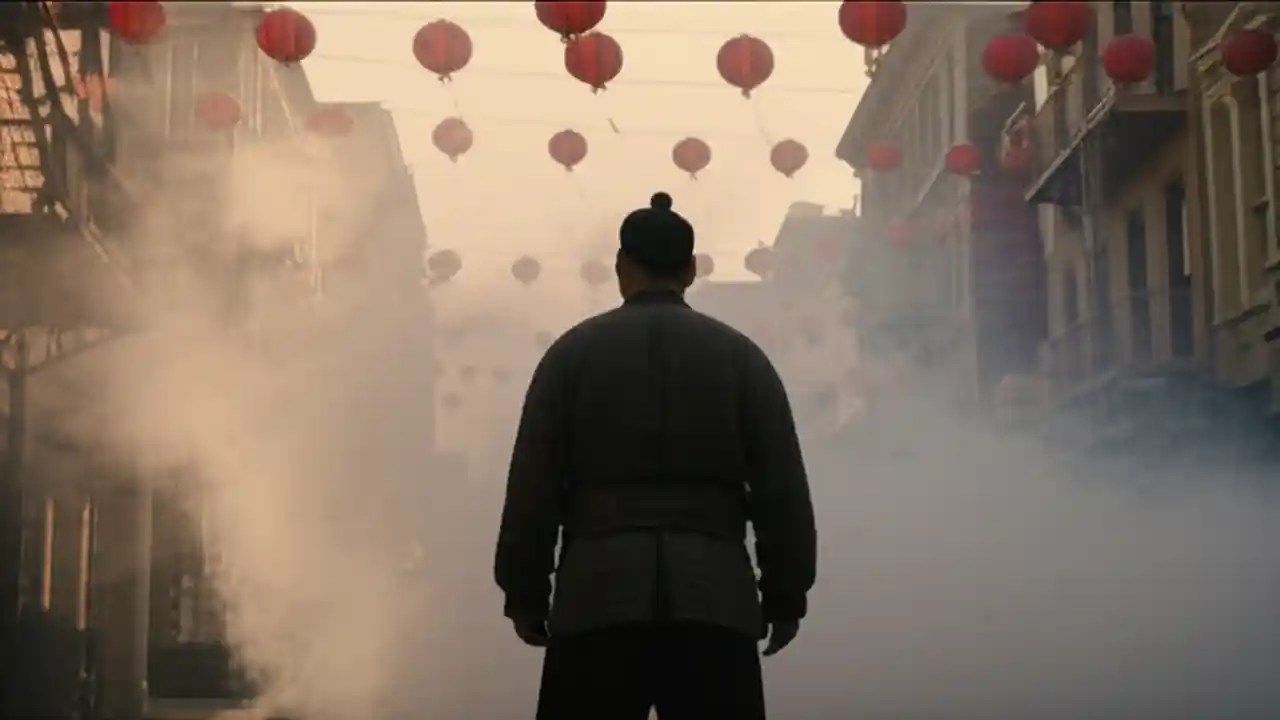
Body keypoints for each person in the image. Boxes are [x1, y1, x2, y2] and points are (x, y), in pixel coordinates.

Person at [494, 192, 817, 718]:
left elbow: (532, 486)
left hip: (597, 598)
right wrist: (785, 595)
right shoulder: (741, 359)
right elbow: (782, 491)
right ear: (690, 269)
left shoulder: (571, 356)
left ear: (621, 267)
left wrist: (524, 592)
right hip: (714, 601)